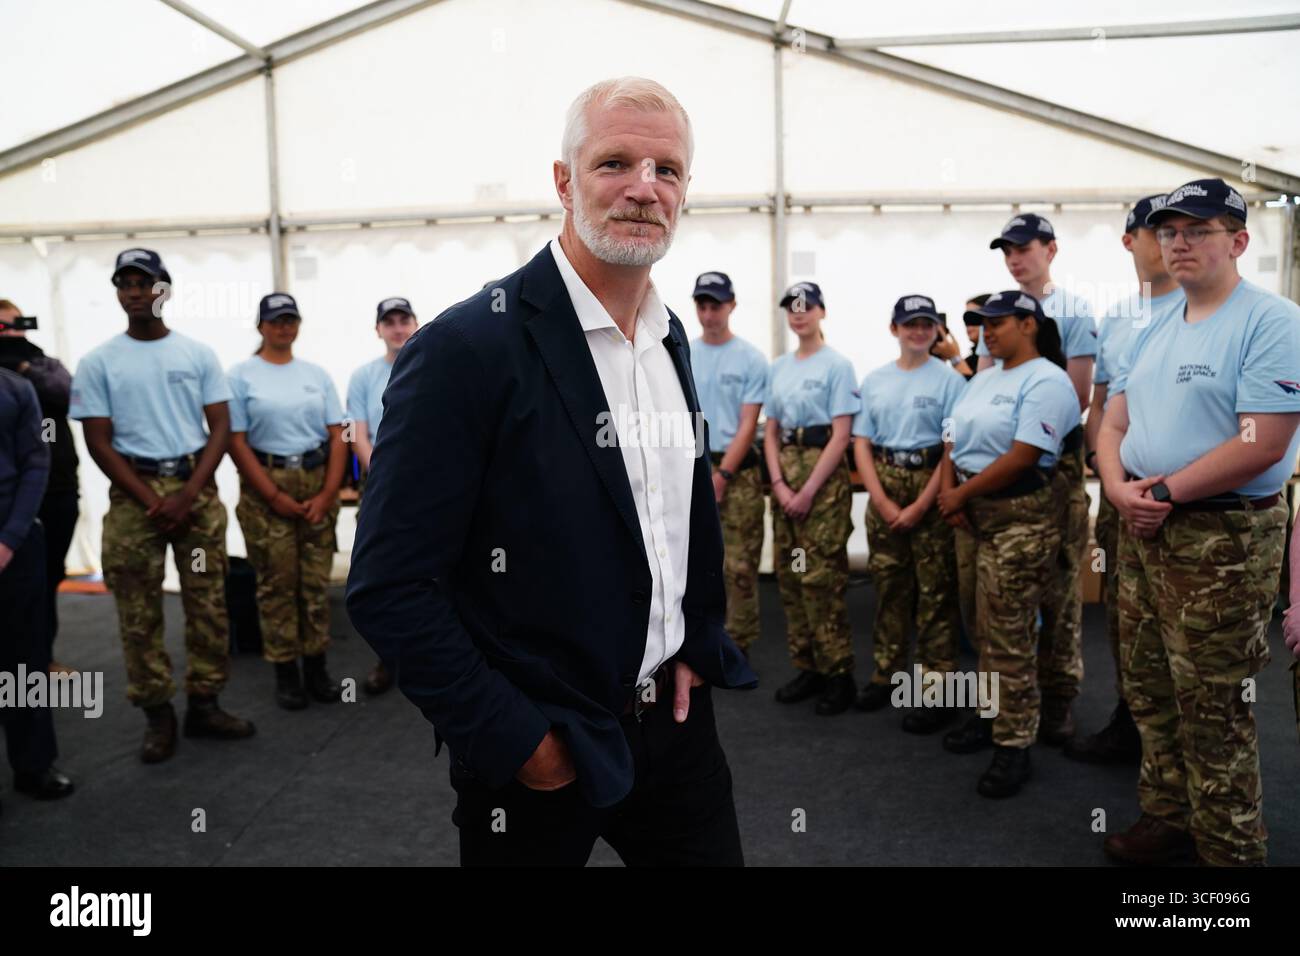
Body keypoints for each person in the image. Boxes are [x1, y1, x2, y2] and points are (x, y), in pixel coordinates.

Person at [346, 77, 757, 867]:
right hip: (539, 752)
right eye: (615, 163)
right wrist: (521, 741)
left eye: (667, 170)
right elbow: (390, 586)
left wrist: (694, 641)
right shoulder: (468, 349)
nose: (644, 188)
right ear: (563, 181)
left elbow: (673, 521)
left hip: (674, 732)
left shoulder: (668, 339)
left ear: (686, 192)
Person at [1097, 178, 1300, 867]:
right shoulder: (1154, 325)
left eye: (1199, 230)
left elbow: (1262, 442)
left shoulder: (1271, 321)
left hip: (1223, 539)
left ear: (1239, 241)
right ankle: (1169, 815)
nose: (1178, 242)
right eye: (1169, 231)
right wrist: (1116, 486)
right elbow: (1114, 419)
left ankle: (1231, 858)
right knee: (1149, 686)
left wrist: (1160, 492)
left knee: (1214, 708)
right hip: (1146, 522)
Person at [69, 248, 254, 763]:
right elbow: (99, 441)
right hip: (136, 498)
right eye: (124, 283)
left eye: (143, 282)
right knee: (138, 611)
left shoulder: (196, 354)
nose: (133, 291)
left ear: (163, 290)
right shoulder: (99, 361)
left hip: (194, 490)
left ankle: (205, 702)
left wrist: (190, 493)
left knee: (209, 604)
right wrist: (153, 500)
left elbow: (219, 425)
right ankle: (157, 713)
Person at [936, 291, 1079, 797]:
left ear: (1029, 325)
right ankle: (989, 713)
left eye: (997, 323)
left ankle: (1014, 742)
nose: (986, 331)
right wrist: (954, 492)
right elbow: (953, 434)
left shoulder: (1048, 380)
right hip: (973, 512)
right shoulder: (986, 376)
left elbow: (1024, 455)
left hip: (1018, 515)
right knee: (979, 624)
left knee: (1009, 633)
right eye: (979, 323)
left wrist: (958, 494)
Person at [1066, 194, 1182, 765]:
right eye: (1152, 230)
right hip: (1121, 486)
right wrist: (1103, 469)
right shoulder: (1117, 317)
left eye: (1175, 231)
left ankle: (1179, 737)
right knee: (1123, 613)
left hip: (1185, 494)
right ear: (1128, 241)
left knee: (1186, 624)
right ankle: (1131, 718)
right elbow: (1102, 404)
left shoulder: (1202, 306)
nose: (1164, 241)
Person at [980, 214, 1096, 744]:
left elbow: (1077, 397)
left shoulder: (1071, 310)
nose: (1014, 257)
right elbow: (983, 387)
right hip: (1006, 470)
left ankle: (1059, 700)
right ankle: (1007, 706)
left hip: (1057, 468)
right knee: (1002, 595)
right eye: (1007, 249)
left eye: (1024, 248)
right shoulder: (998, 313)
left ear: (1051, 249)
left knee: (1061, 587)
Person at [227, 294, 347, 710]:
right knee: (277, 585)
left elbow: (338, 435)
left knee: (314, 583)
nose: (284, 327)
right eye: (275, 321)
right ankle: (285, 673)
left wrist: (329, 493)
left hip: (315, 479)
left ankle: (317, 667)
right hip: (267, 482)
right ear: (260, 326)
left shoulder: (315, 373)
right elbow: (235, 442)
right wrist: (274, 495)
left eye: (290, 319)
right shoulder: (241, 375)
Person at [852, 295, 965, 731]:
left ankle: (937, 689)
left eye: (927, 324)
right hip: (885, 480)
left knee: (936, 591)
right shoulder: (876, 379)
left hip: (931, 482)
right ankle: (888, 673)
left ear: (937, 329)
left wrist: (921, 504)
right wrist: (879, 499)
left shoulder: (950, 380)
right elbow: (861, 441)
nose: (919, 331)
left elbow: (952, 448)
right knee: (889, 586)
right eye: (910, 324)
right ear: (893, 329)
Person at [765, 281, 859, 715]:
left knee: (821, 578)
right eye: (792, 307)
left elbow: (842, 436)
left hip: (821, 484)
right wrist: (781, 485)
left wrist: (805, 491)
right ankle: (808, 665)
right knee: (790, 574)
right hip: (786, 477)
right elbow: (770, 430)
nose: (799, 313)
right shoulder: (780, 366)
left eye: (807, 306)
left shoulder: (837, 365)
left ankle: (838, 672)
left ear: (822, 311)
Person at [0, 365, 74, 809]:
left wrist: (9, 539)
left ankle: (33, 765)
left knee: (24, 659)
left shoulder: (17, 388)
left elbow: (36, 461)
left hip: (16, 540)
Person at [690, 271, 768, 659]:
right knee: (695, 562)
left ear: (732, 306)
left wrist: (721, 476)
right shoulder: (682, 352)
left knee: (739, 565)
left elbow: (748, 424)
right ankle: (701, 637)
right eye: (702, 306)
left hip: (735, 473)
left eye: (716, 305)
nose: (709, 314)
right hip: (692, 466)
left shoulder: (751, 358)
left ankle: (738, 643)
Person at [0, 300, 80, 674]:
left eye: (17, 324)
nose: (12, 333)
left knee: (47, 576)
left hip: (57, 488)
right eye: (3, 327)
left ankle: (41, 657)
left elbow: (70, 395)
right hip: (10, 500)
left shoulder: (43, 365)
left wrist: (24, 366)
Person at [346, 296, 418, 697]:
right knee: (381, 576)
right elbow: (358, 433)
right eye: (388, 321)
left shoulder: (435, 362)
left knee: (434, 575)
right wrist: (385, 476)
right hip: (379, 486)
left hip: (429, 486)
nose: (396, 327)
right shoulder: (363, 377)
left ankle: (429, 660)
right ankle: (384, 658)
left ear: (415, 322)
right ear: (378, 330)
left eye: (403, 319)